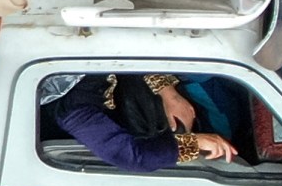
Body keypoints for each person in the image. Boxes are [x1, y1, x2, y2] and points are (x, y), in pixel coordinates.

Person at [41, 73, 239, 172]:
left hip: (159, 95)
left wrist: (169, 94)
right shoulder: (73, 110)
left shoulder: (88, 47)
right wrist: (195, 142)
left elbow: (129, 49)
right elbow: (130, 156)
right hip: (153, 127)